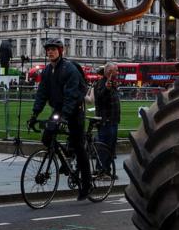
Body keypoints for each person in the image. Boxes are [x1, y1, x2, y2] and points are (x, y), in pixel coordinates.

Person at [30, 38, 91, 200]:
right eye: (48, 49)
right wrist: (34, 114)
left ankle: (87, 184)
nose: (50, 52)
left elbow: (72, 96)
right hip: (58, 110)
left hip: (75, 110)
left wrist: (64, 117)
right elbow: (42, 94)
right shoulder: (47, 71)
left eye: (53, 49)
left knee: (78, 145)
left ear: (61, 51)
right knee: (47, 137)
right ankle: (65, 163)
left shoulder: (69, 69)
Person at [93, 63, 120, 177]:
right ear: (109, 72)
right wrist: (106, 89)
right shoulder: (101, 83)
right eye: (116, 71)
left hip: (113, 121)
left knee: (110, 148)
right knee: (104, 147)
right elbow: (99, 98)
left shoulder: (112, 84)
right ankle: (101, 170)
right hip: (106, 121)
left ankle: (107, 170)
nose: (118, 73)